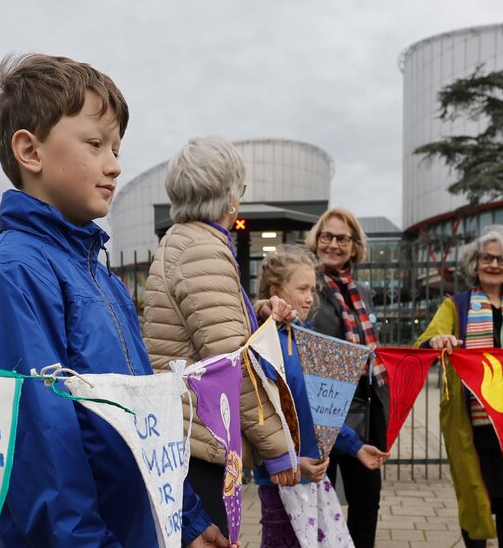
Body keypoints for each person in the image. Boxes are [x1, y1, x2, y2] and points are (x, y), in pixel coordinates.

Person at [0, 54, 228, 547]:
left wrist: (184, 518)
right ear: (30, 152)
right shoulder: (10, 275)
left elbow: (144, 418)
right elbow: (40, 454)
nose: (115, 165)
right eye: (96, 144)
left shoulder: (99, 277)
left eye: (117, 147)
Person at [142, 136, 299, 536]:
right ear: (229, 196)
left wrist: (256, 310)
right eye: (240, 191)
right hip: (201, 440)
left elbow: (205, 329)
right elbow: (229, 361)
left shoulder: (182, 240)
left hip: (184, 431)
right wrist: (277, 447)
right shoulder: (203, 250)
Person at [415, 224, 503, 547]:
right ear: (474, 264)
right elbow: (424, 343)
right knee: (476, 494)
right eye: (486, 258)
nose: (493, 265)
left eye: (501, 259)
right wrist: (438, 339)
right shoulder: (456, 306)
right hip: (473, 422)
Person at [253, 245, 389, 547]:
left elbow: (321, 411)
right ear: (276, 291)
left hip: (312, 476)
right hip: (281, 478)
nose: (310, 297)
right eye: (302, 288)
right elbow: (259, 419)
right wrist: (288, 461)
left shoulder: (306, 341)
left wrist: (355, 447)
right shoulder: (263, 343)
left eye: (312, 289)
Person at [305, 207, 390, 548]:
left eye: (342, 238)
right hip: (322, 412)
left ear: (354, 246)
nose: (334, 244)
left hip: (365, 410)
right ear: (316, 240)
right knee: (320, 506)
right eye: (327, 236)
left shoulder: (363, 292)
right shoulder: (308, 284)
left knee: (367, 502)